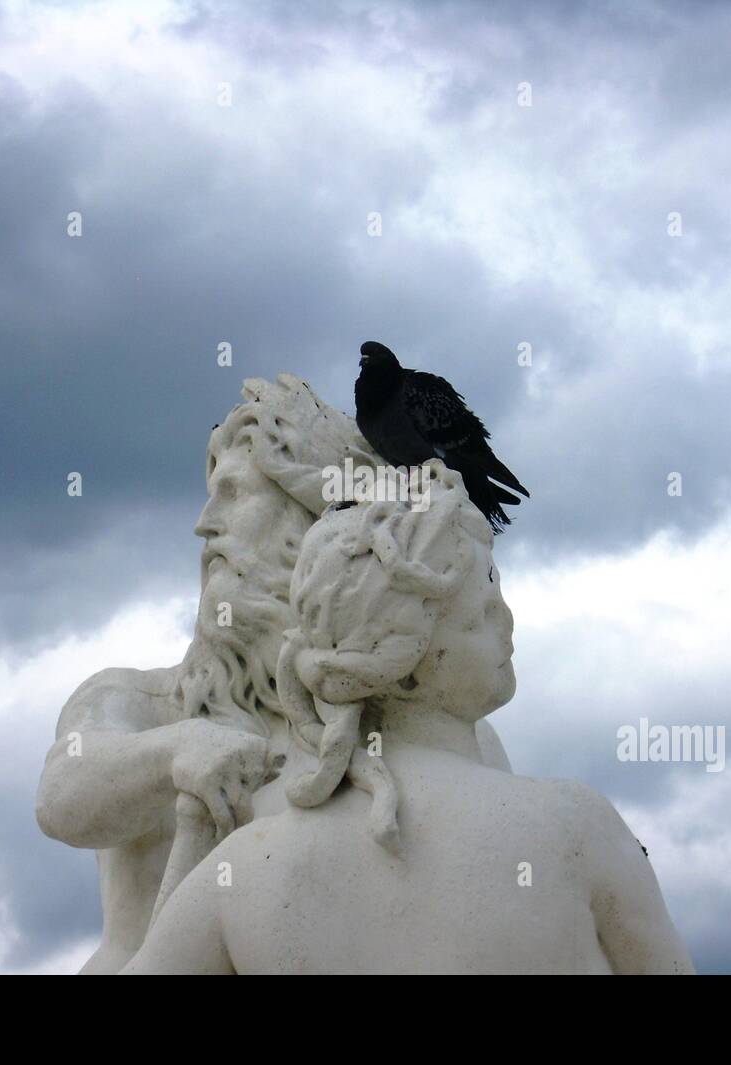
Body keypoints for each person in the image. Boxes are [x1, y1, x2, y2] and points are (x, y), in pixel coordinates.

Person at [126, 462, 695, 974]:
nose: (508, 623)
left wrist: (191, 843)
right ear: (403, 670)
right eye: (479, 616)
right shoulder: (572, 824)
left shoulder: (243, 872)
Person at [35, 376, 512, 973]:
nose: (205, 524)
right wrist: (174, 752)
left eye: (233, 494)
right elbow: (63, 799)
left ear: (313, 518)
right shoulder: (144, 702)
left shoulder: (428, 731)